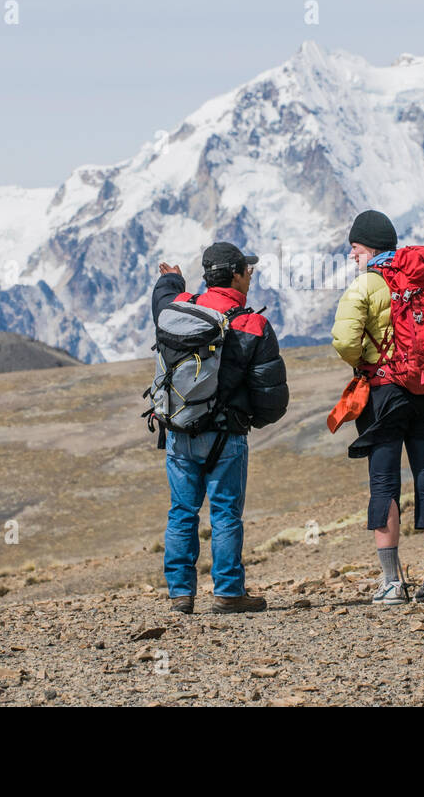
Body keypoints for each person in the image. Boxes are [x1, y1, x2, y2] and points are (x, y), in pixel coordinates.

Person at [331, 210, 424, 605]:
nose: (352, 256)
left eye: (355, 248)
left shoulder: (366, 287)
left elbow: (343, 341)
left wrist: (368, 361)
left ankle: (392, 583)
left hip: (383, 395)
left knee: (384, 485)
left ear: (370, 248)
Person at [151, 242, 288, 614]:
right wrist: (250, 420)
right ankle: (228, 593)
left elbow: (160, 301)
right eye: (248, 270)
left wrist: (172, 278)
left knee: (182, 511)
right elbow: (271, 396)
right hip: (227, 436)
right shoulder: (251, 324)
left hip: (179, 429)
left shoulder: (180, 309)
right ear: (236, 275)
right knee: (225, 513)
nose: (252, 275)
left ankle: (181, 594)